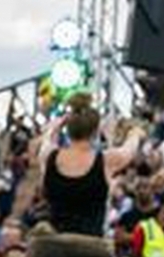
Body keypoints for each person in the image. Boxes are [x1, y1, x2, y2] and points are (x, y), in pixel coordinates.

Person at [31, 93, 146, 257]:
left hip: (53, 248)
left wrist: (55, 127)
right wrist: (135, 133)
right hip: (90, 249)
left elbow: (47, 139)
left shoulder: (49, 156)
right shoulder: (107, 160)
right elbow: (129, 148)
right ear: (95, 131)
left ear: (67, 129)